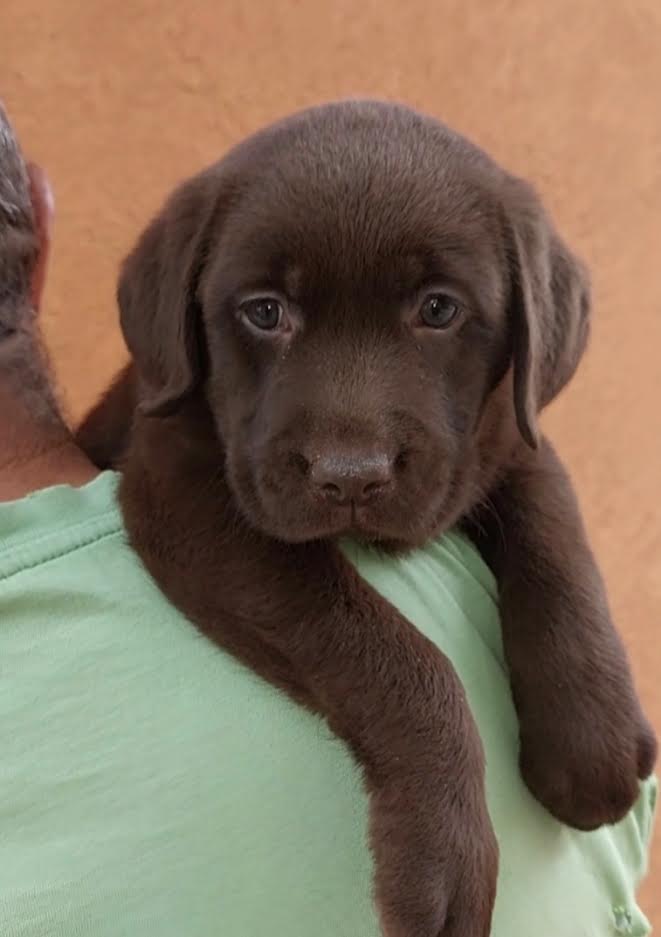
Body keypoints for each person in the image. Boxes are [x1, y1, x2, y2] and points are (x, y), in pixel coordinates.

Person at [0, 104, 656, 937]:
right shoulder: (188, 439)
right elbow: (176, 511)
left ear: (522, 338)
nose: (350, 450)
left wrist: (569, 637)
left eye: (438, 311)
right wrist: (422, 737)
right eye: (266, 314)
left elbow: (518, 458)